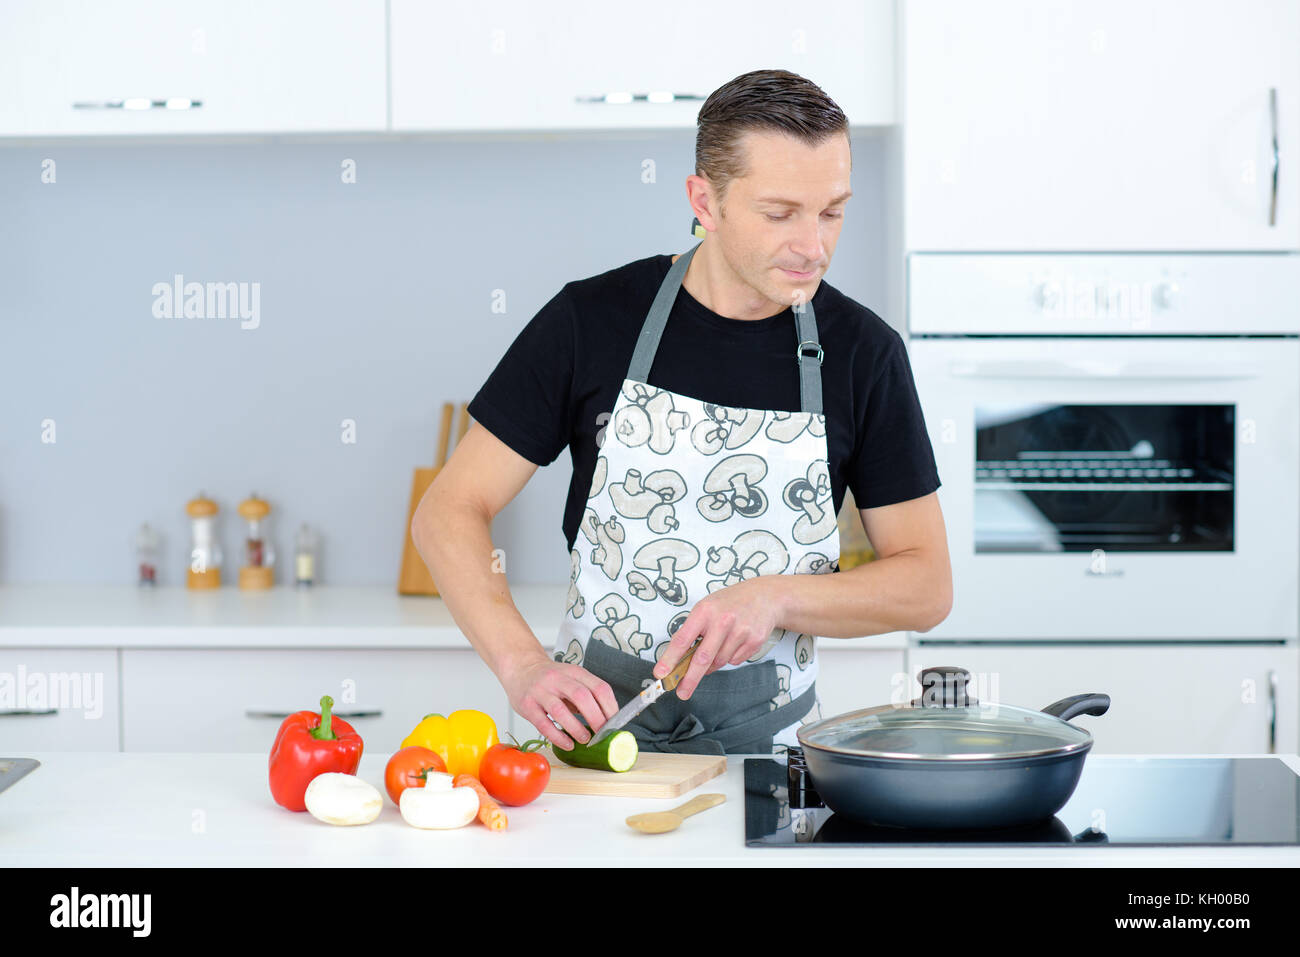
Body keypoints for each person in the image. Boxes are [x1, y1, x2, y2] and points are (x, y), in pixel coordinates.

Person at [412, 68, 952, 756]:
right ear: (705, 200)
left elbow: (927, 583)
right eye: (781, 213)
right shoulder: (591, 321)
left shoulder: (863, 353)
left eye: (833, 210)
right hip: (592, 745)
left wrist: (776, 598)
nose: (814, 245)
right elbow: (447, 511)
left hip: (775, 759)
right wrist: (522, 665)